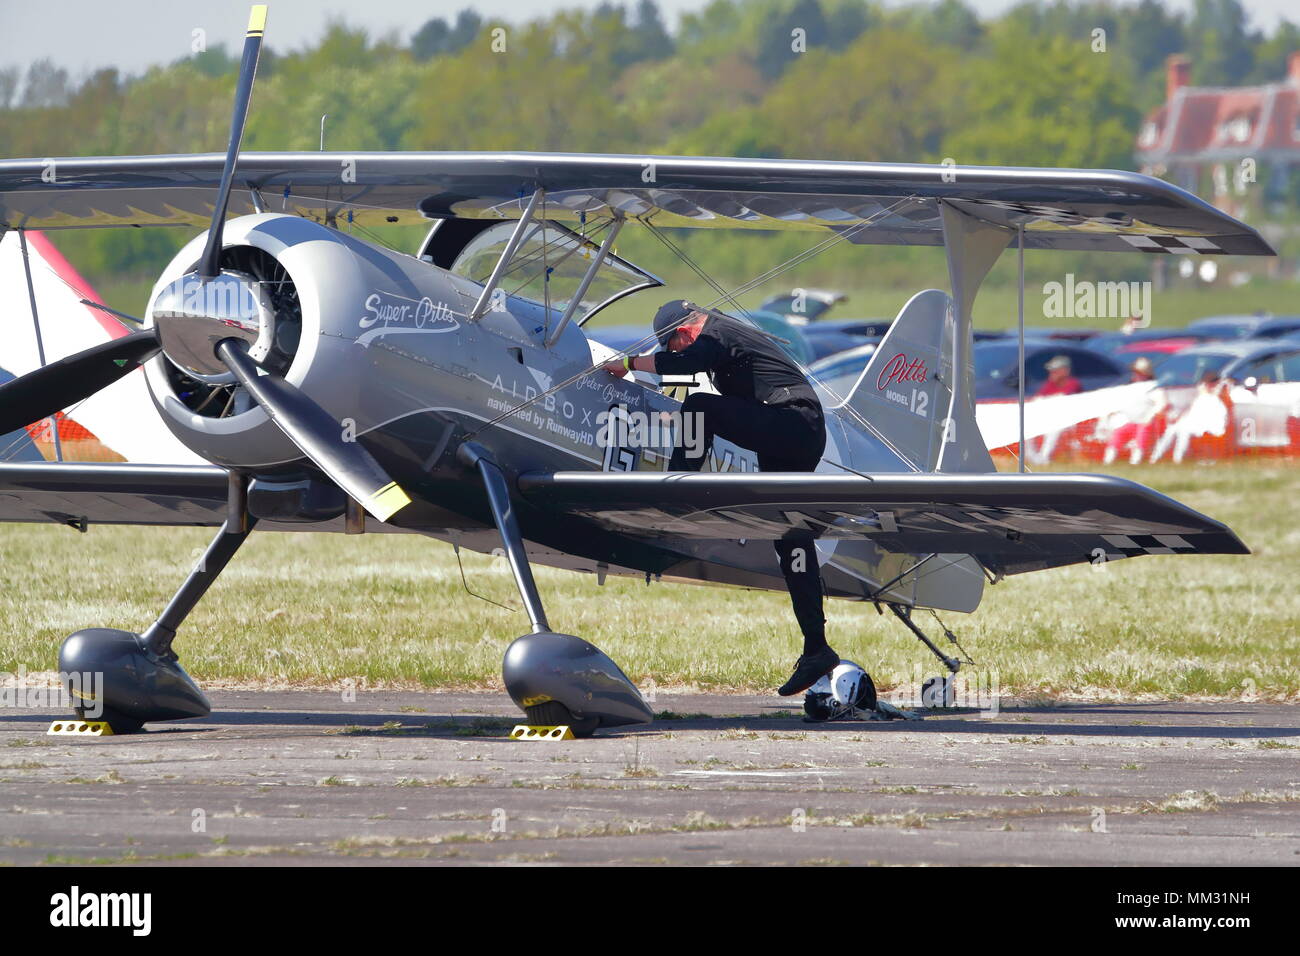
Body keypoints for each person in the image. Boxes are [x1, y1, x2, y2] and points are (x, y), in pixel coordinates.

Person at [601, 299, 837, 696]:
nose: (675, 353)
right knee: (790, 537)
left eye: (672, 345)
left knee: (698, 405)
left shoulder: (717, 332)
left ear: (684, 330)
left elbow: (684, 366)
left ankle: (679, 486)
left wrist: (627, 365)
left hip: (794, 422)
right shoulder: (724, 336)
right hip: (792, 433)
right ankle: (816, 646)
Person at [1102, 357, 1166, 464]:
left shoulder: (1154, 389)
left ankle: (1136, 459)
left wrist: (1150, 416)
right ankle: (1109, 459)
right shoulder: (1130, 388)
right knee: (1119, 432)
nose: (1136, 375)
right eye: (1135, 372)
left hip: (1147, 422)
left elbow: (1161, 404)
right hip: (1130, 421)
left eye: (1139, 373)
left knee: (1143, 431)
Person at [1026, 355, 1083, 464]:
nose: (1051, 373)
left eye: (1055, 371)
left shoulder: (1073, 384)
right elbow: (1038, 399)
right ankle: (1032, 457)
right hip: (1052, 418)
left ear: (1065, 371)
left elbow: (1062, 401)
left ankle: (1044, 458)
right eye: (1051, 371)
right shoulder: (1050, 385)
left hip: (1071, 421)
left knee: (1054, 428)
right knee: (1027, 427)